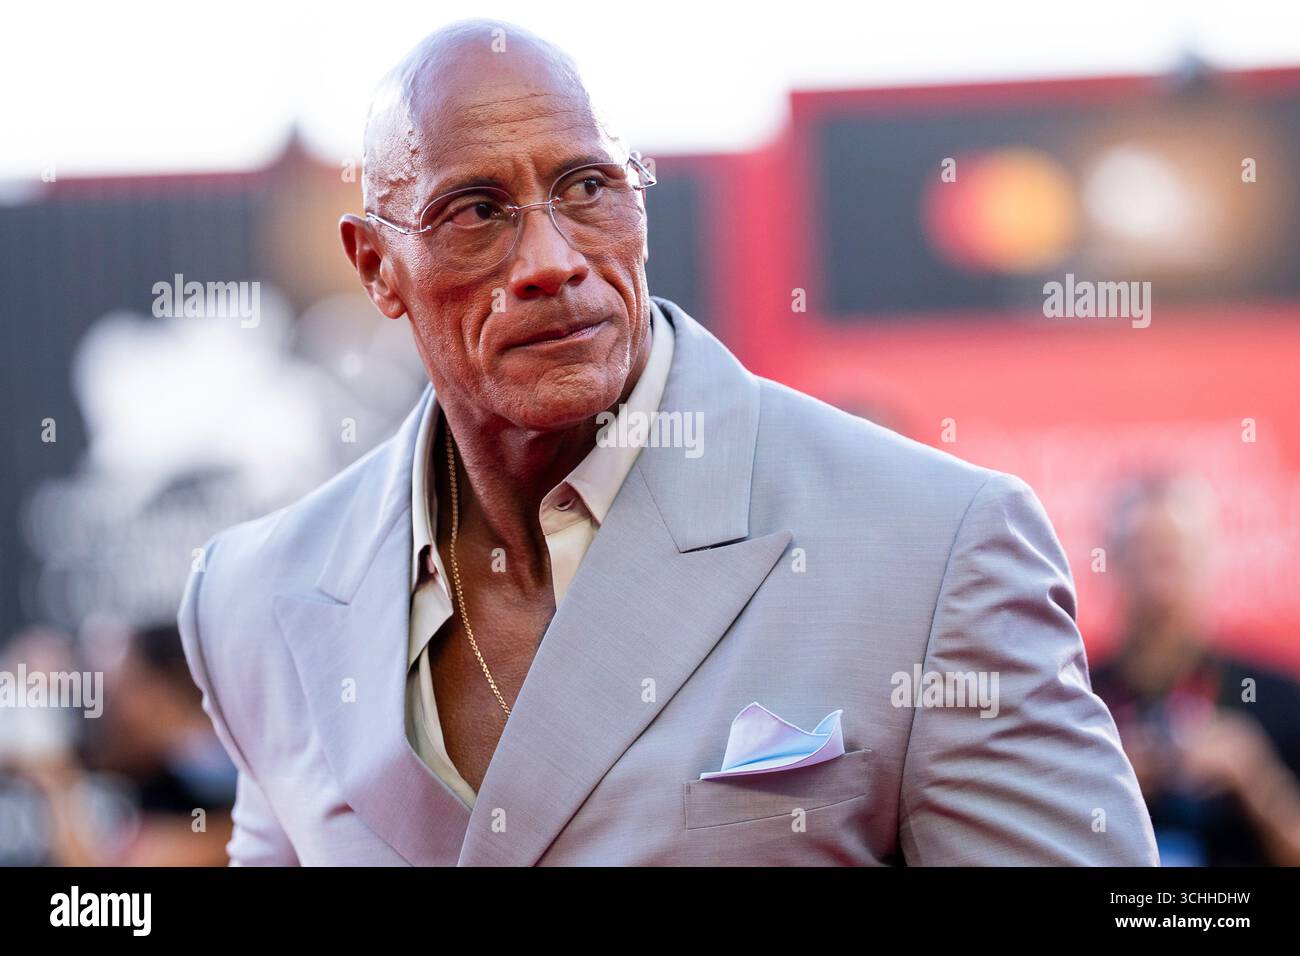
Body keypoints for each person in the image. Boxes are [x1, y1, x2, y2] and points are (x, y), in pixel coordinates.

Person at [177, 19, 1157, 865]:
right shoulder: (256, 598)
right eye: (475, 211)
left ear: (639, 202)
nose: (552, 261)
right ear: (376, 266)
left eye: (586, 187)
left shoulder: (934, 549)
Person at [1092, 474, 1300, 866]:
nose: (1159, 587)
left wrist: (1255, 781)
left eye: (1173, 560)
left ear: (1207, 562)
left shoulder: (1279, 699)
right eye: (1143, 559)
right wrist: (1111, 786)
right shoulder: (1075, 699)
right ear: (1111, 564)